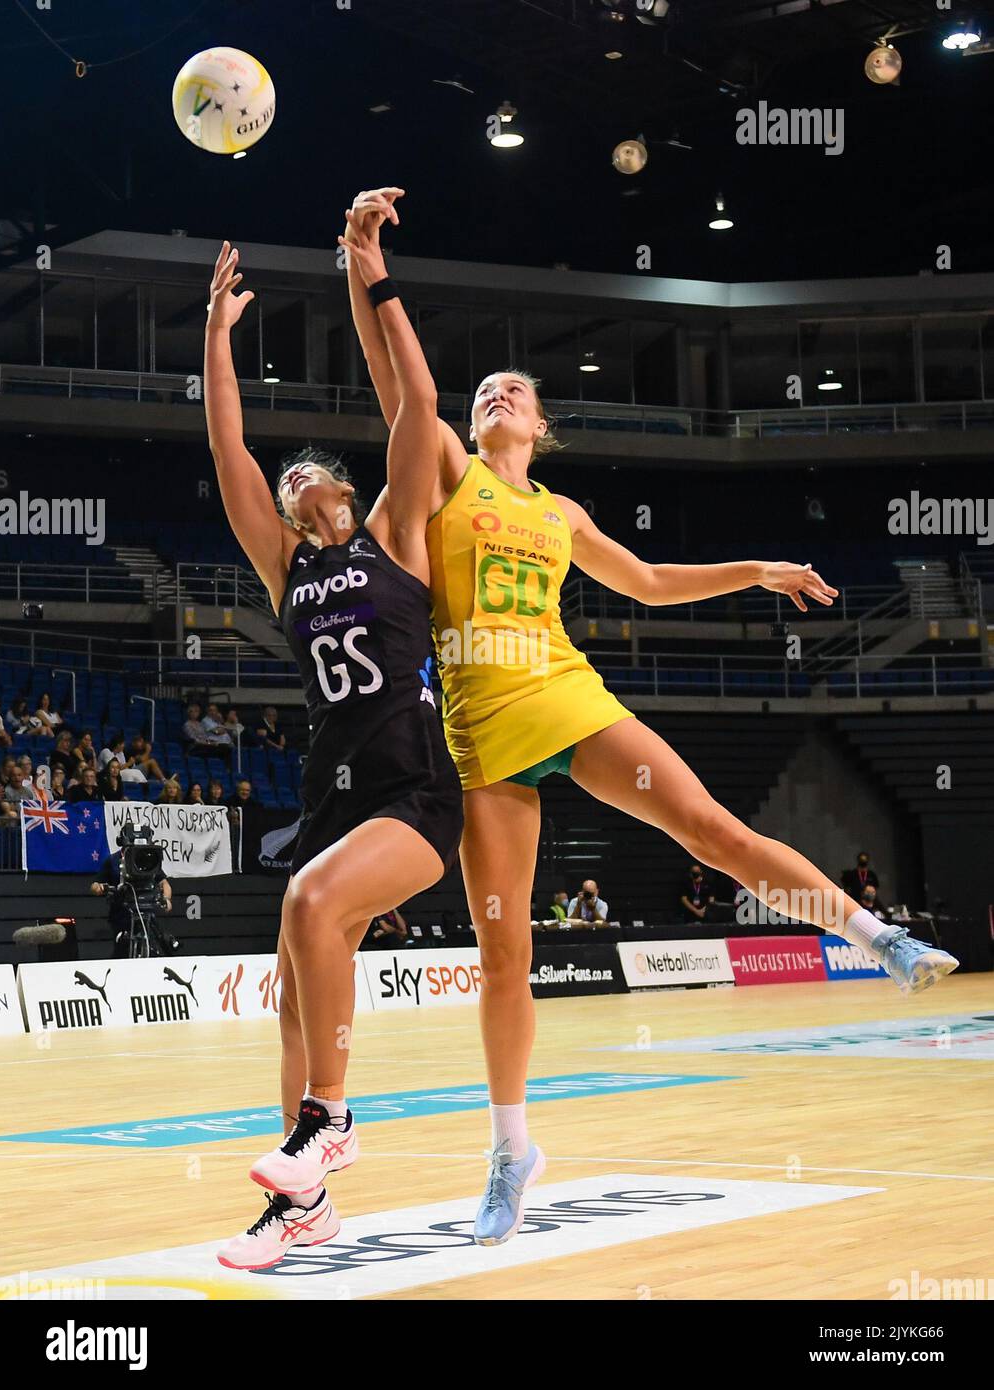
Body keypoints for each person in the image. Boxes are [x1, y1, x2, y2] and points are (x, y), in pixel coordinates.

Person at [343, 184, 959, 1245]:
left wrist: (757, 568)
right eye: (485, 389)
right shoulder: (448, 476)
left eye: (512, 393)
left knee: (710, 828)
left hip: (565, 696)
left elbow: (649, 583)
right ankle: (509, 1151)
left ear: (540, 426)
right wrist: (363, 269)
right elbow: (403, 384)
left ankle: (875, 934)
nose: (494, 397)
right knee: (504, 957)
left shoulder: (557, 510)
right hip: (480, 738)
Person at [204, 237, 463, 1270]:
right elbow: (226, 449)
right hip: (331, 799)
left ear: (343, 489)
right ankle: (302, 1202)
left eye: (305, 465)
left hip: (412, 789)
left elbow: (417, 399)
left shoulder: (397, 532)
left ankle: (333, 1121)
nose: (288, 470)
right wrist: (218, 339)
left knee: (310, 903)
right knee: (289, 1009)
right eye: (283, 475)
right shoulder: (282, 564)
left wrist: (374, 273)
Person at [91, 850, 173, 957]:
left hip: (147, 912)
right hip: (121, 914)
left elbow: (164, 882)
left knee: (153, 947)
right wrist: (98, 888)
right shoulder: (112, 860)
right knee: (122, 950)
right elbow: (95, 884)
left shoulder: (147, 857)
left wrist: (166, 898)